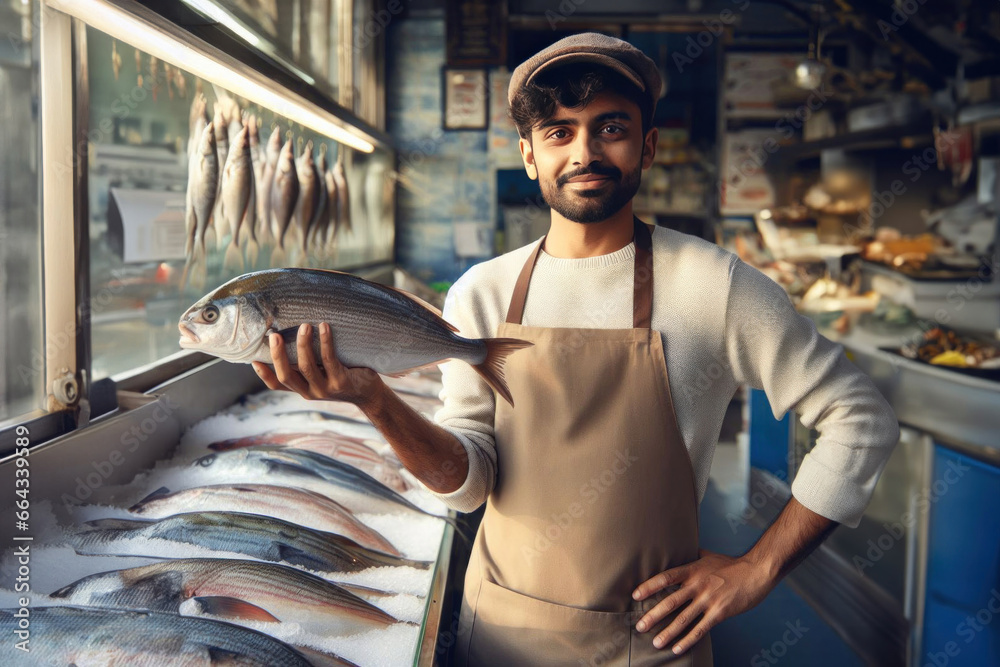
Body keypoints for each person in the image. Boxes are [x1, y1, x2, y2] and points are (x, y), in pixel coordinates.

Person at [254, 32, 899, 666]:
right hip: (503, 632)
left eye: (610, 128)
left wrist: (759, 567)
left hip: (653, 643)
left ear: (647, 146)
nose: (584, 152)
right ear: (530, 155)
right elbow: (469, 485)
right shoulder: (483, 293)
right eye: (559, 132)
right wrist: (375, 400)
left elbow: (861, 419)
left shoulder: (715, 286)